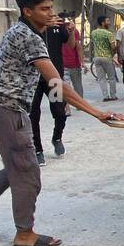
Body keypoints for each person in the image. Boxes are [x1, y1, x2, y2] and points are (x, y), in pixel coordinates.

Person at [0, 0, 124, 246]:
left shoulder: (27, 31)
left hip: (3, 108)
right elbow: (56, 83)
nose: (50, 13)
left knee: (16, 167)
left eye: (51, 8)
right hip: (7, 109)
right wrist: (97, 113)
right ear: (27, 10)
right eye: (44, 9)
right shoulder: (28, 36)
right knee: (28, 173)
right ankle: (24, 234)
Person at [30, 13, 70, 163]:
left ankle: (57, 137)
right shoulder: (29, 27)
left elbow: (70, 44)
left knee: (60, 111)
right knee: (33, 115)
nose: (49, 12)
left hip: (53, 78)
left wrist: (71, 30)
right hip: (34, 80)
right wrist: (45, 26)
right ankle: (37, 149)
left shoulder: (59, 26)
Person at [89, 15, 119, 101]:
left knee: (101, 78)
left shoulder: (93, 32)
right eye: (107, 21)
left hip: (96, 58)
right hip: (106, 57)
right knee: (111, 77)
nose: (109, 23)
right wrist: (113, 55)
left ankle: (105, 96)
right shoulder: (109, 34)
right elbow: (113, 47)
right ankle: (113, 96)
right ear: (102, 23)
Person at [60, 14, 84, 97]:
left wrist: (82, 62)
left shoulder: (73, 31)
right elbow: (78, 47)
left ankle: (65, 106)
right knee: (77, 86)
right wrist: (82, 62)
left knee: (65, 87)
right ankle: (79, 105)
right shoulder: (74, 31)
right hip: (71, 63)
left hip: (66, 64)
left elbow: (78, 47)